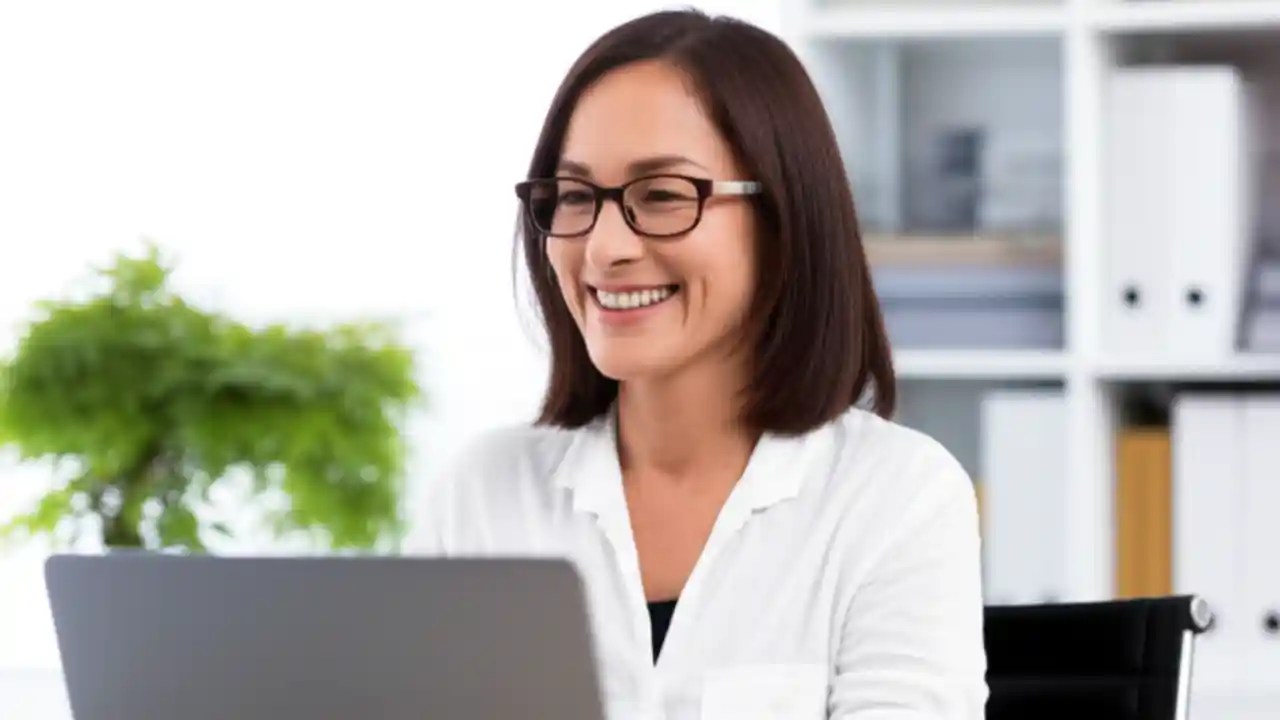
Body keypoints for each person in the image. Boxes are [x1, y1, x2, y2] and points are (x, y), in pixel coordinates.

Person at [419, 9, 987, 719]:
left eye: (661, 196)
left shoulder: (896, 497)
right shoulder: (484, 495)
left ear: (782, 219)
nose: (603, 248)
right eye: (574, 197)